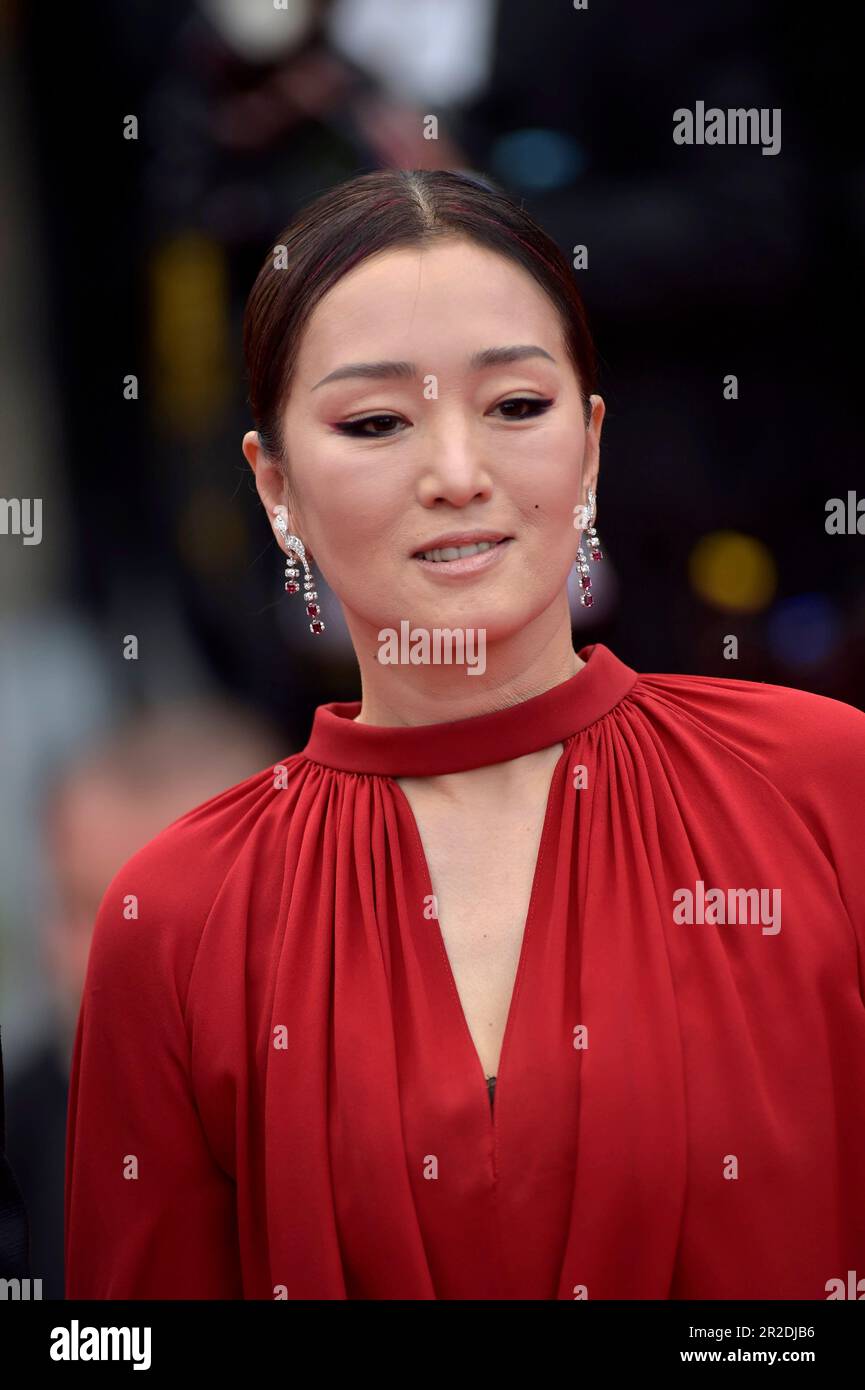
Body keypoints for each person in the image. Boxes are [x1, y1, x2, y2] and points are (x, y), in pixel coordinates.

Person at [65, 168, 865, 1300]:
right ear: (274, 485)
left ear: (589, 442)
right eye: (376, 421)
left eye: (517, 407)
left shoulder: (822, 789)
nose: (457, 474)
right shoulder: (181, 915)